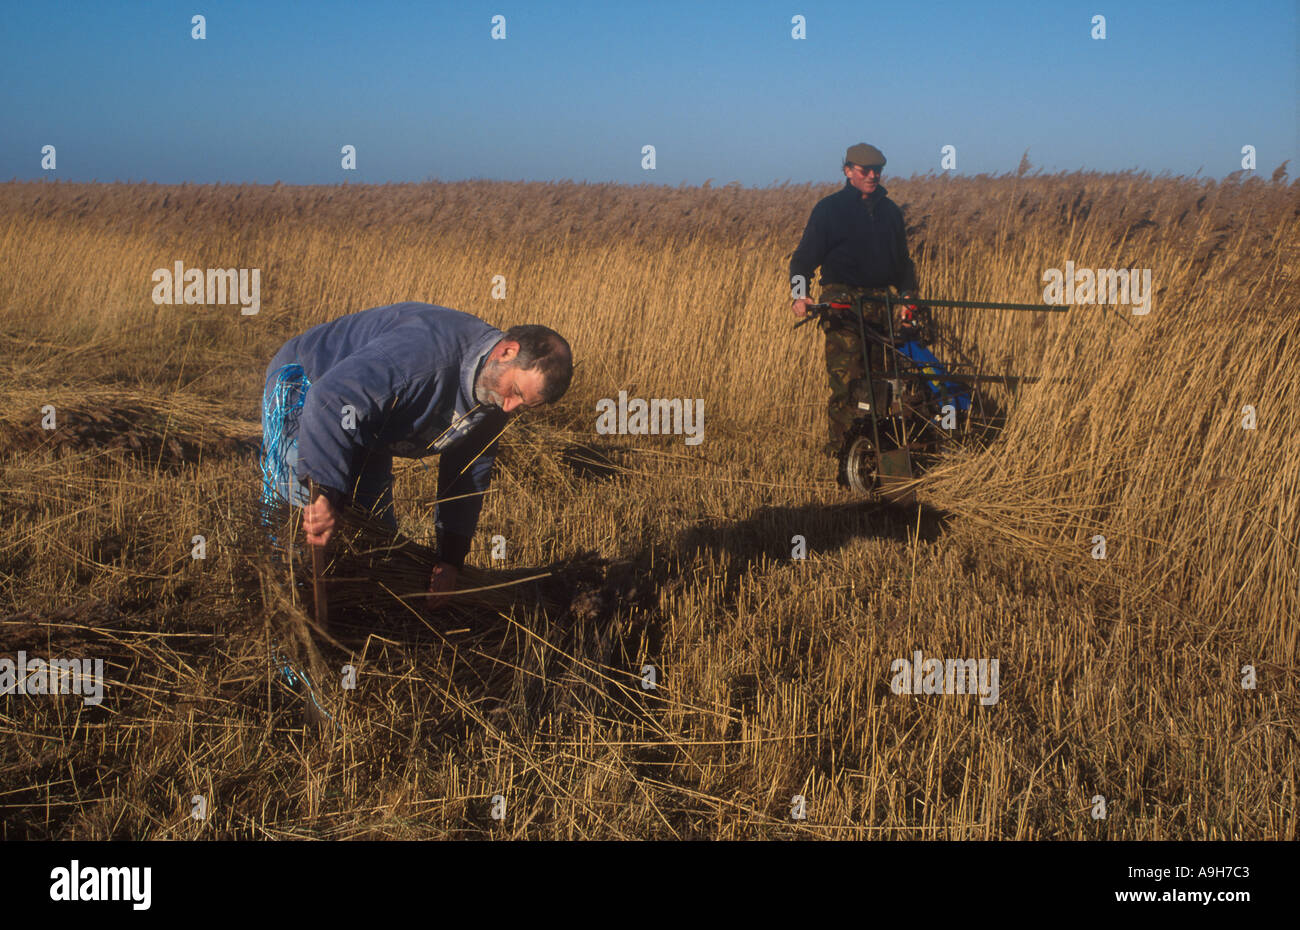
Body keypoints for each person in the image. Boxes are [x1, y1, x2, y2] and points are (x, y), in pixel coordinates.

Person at [260, 302, 572, 606]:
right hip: (309, 387)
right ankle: (286, 638)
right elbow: (332, 398)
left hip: (372, 422)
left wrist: (449, 560)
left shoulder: (492, 402)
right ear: (507, 352)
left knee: (374, 540)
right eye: (515, 392)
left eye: (523, 405)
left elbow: (465, 479)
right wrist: (325, 492)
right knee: (299, 542)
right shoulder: (423, 357)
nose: (509, 408)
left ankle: (348, 626)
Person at [788, 143, 920, 470]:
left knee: (883, 383)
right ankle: (841, 455)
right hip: (841, 303)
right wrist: (800, 294)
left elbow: (904, 264)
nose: (873, 175)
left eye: (878, 170)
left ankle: (879, 453)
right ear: (848, 171)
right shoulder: (829, 210)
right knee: (847, 382)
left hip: (881, 303)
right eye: (865, 170)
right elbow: (803, 259)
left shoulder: (891, 213)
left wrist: (907, 298)